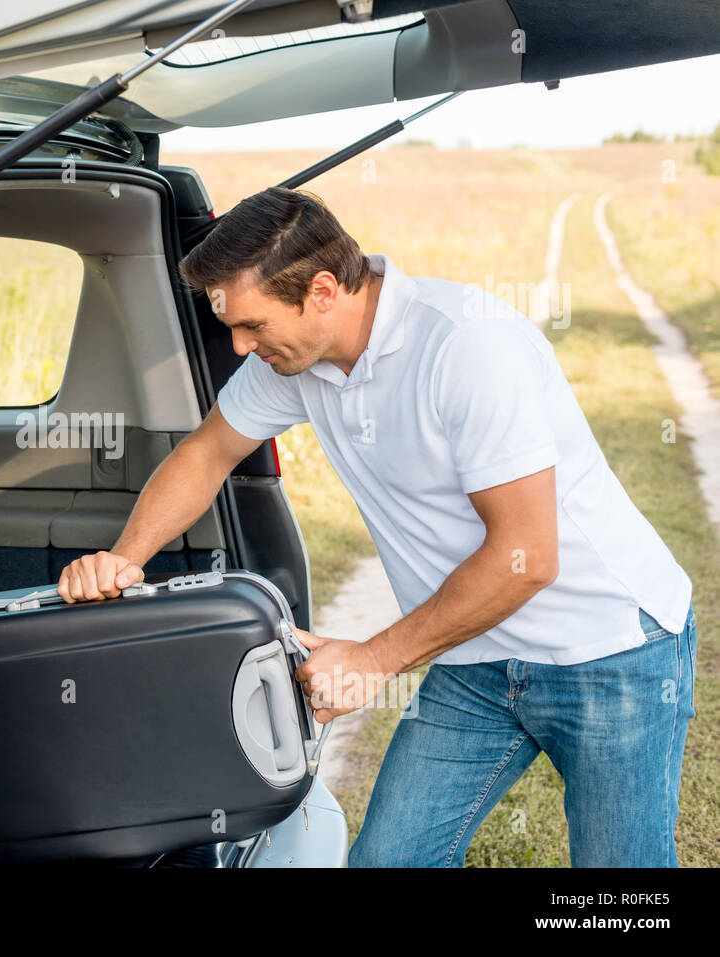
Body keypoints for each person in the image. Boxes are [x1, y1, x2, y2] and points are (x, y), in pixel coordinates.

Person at [56, 186, 696, 867]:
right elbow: (206, 452)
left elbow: (528, 555)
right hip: (475, 656)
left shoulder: (466, 347)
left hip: (610, 647)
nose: (241, 346)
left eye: (253, 325)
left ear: (324, 289)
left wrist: (373, 658)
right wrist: (124, 558)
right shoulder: (294, 360)